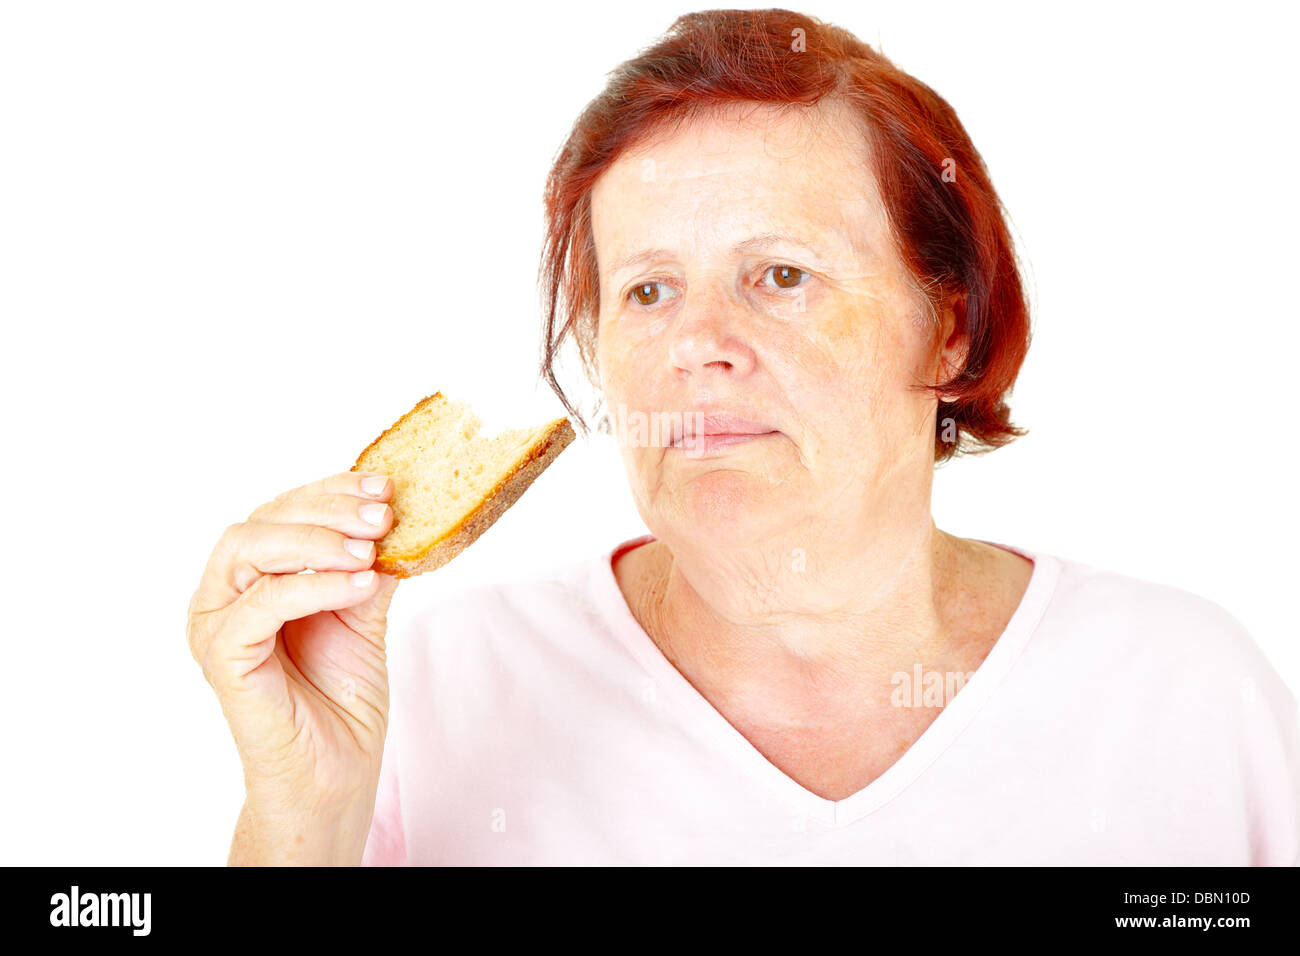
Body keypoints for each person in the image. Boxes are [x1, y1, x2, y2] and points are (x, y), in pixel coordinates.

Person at [186, 9, 1300, 865]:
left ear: (947, 324)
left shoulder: (1184, 691)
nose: (698, 344)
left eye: (779, 274)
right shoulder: (432, 686)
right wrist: (306, 819)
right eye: (649, 290)